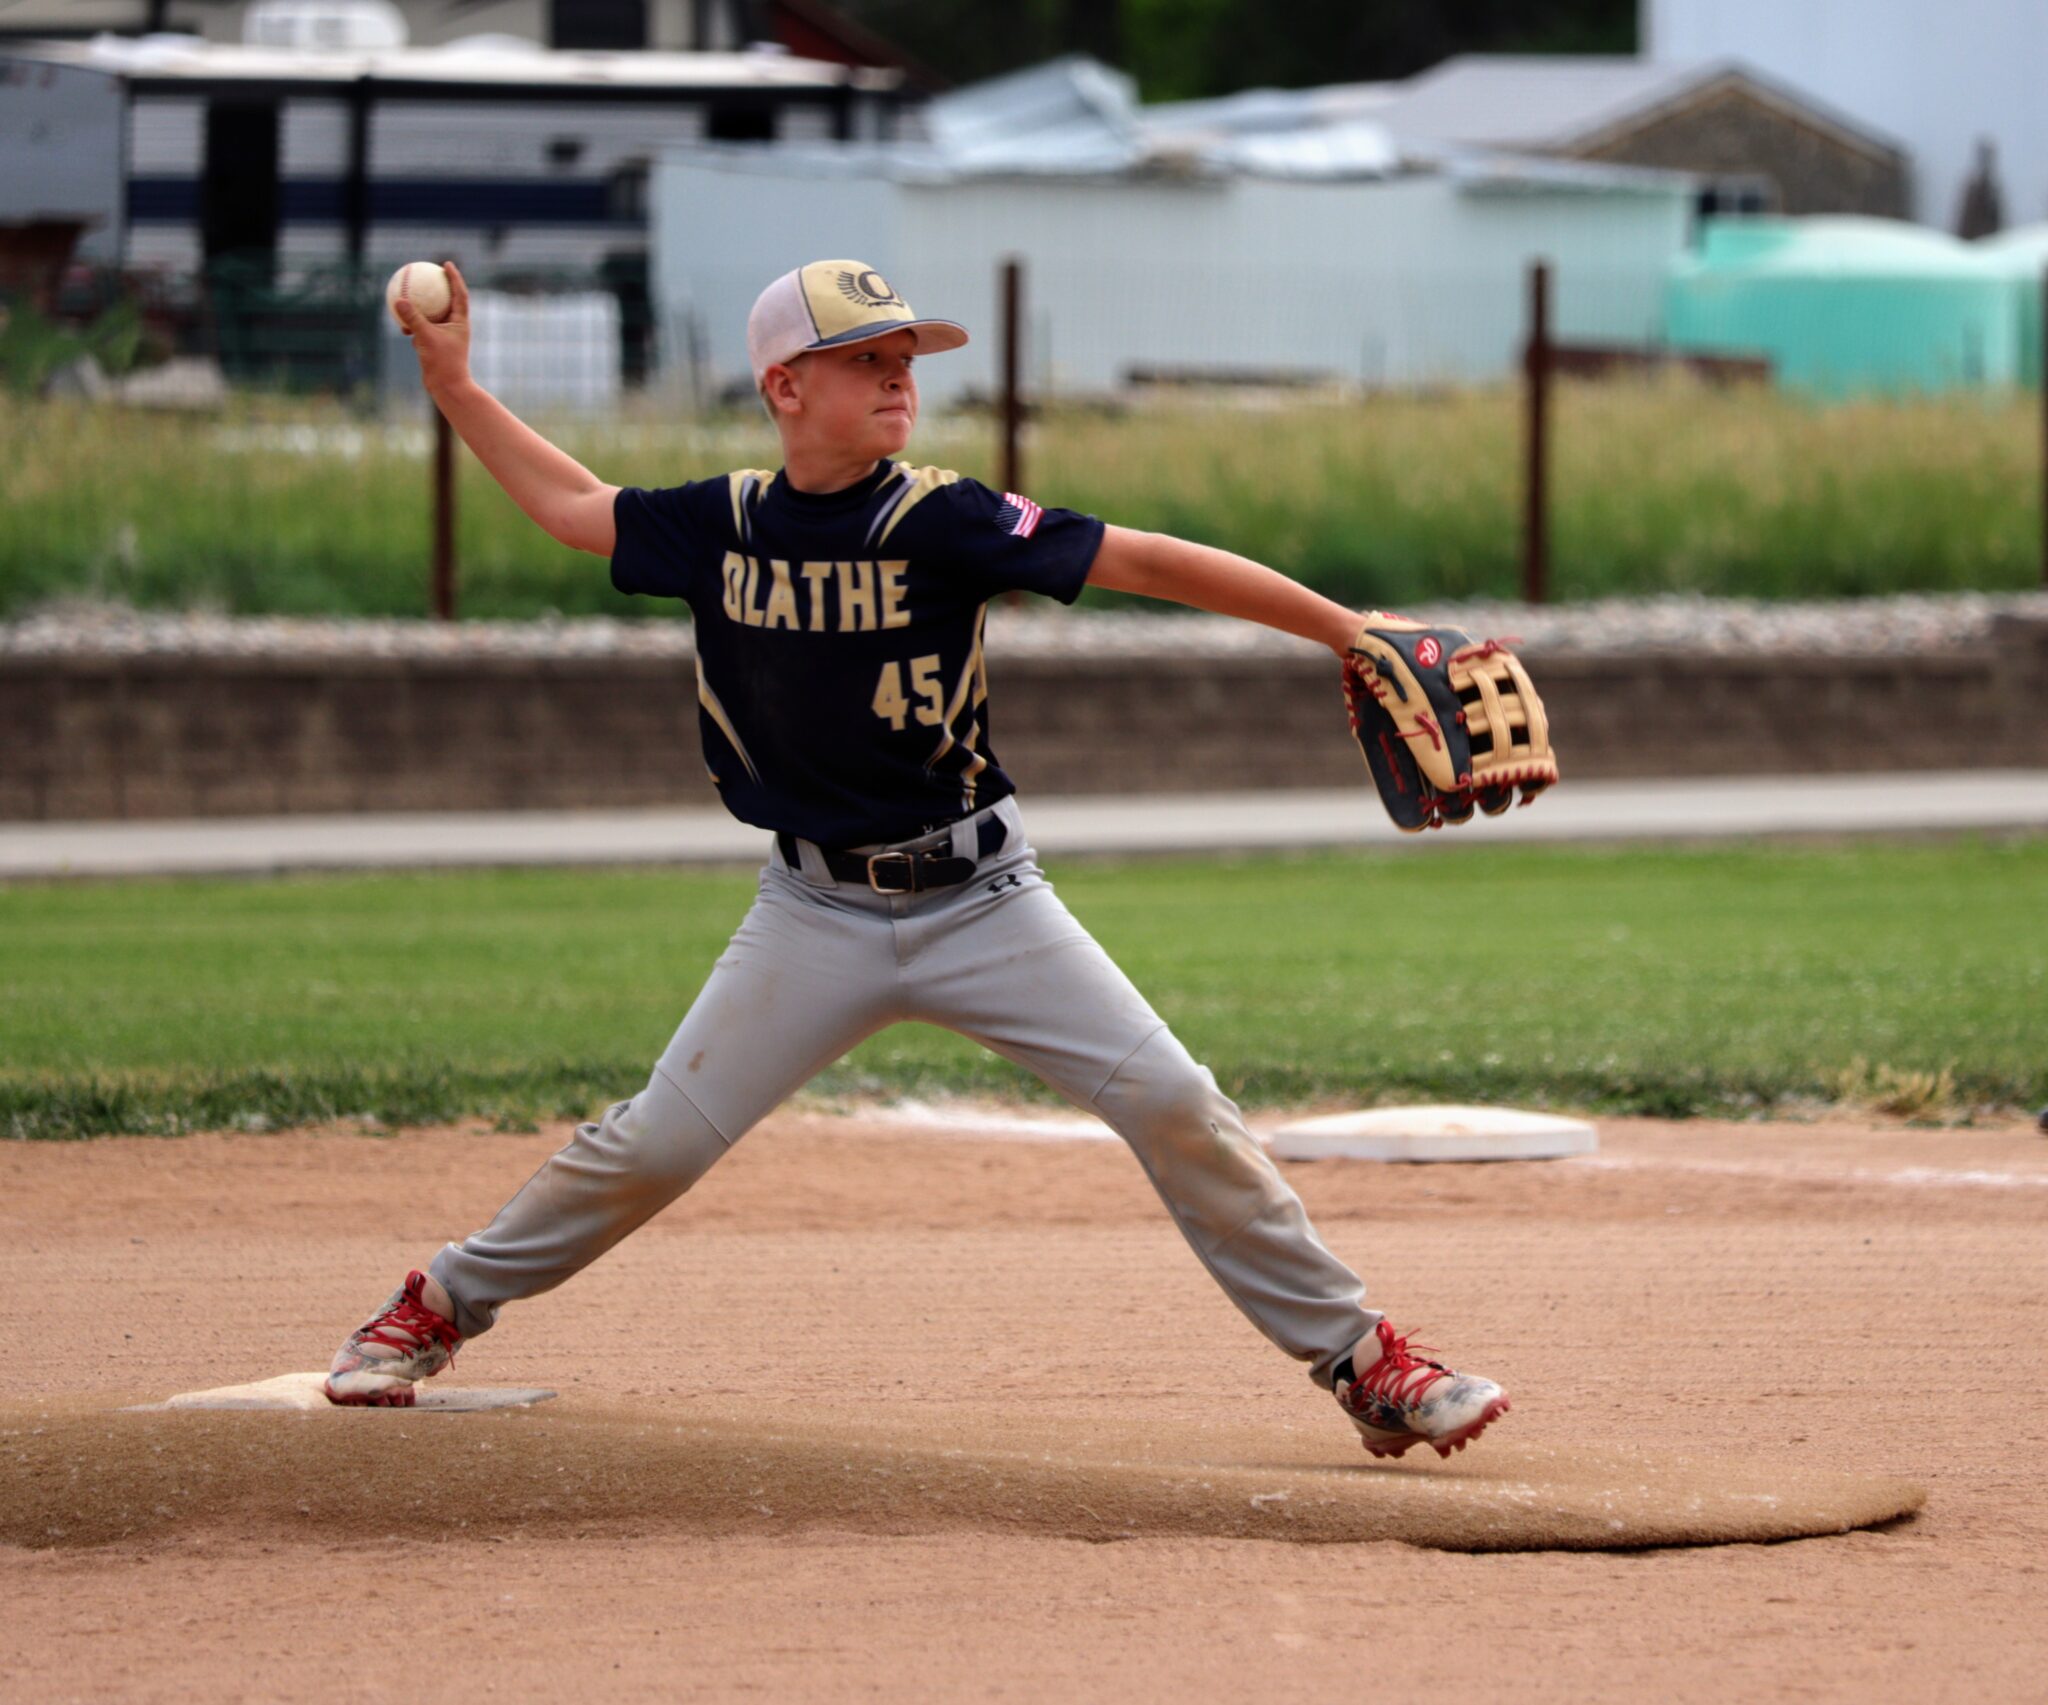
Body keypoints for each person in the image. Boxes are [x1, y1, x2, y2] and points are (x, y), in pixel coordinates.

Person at [324, 258, 1509, 1461]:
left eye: (904, 361)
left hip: (984, 897)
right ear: (784, 386)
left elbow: (1144, 560)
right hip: (810, 911)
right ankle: (438, 1305)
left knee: (1173, 1101)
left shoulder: (943, 517)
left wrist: (1350, 629)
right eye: (865, 361)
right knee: (654, 1142)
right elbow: (574, 507)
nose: (898, 380)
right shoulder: (719, 523)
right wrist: (454, 383)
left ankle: (1366, 1364)